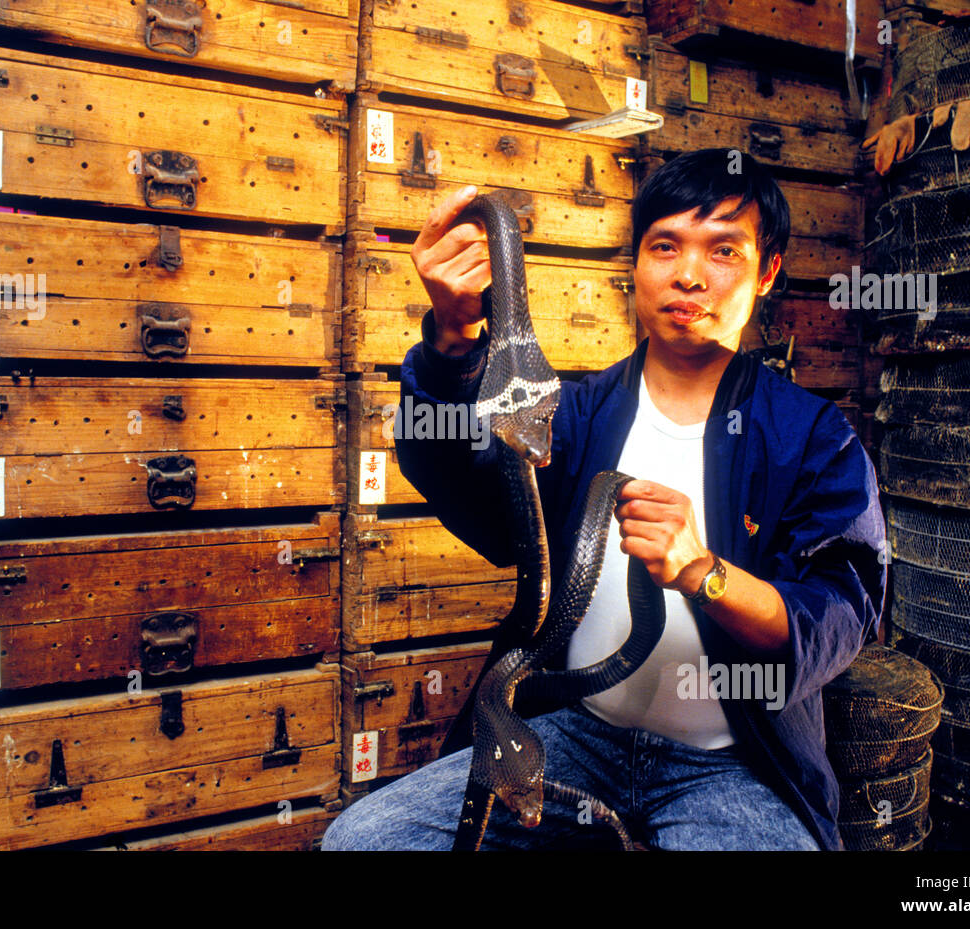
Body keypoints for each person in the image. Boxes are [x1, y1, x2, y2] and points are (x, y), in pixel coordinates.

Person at [322, 148, 887, 851]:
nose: (688, 274)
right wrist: (451, 339)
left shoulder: (814, 439)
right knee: (364, 842)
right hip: (575, 733)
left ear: (767, 273)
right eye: (666, 246)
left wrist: (704, 574)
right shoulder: (575, 411)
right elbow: (481, 498)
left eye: (723, 251)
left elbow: (839, 616)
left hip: (731, 767)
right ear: (635, 266)